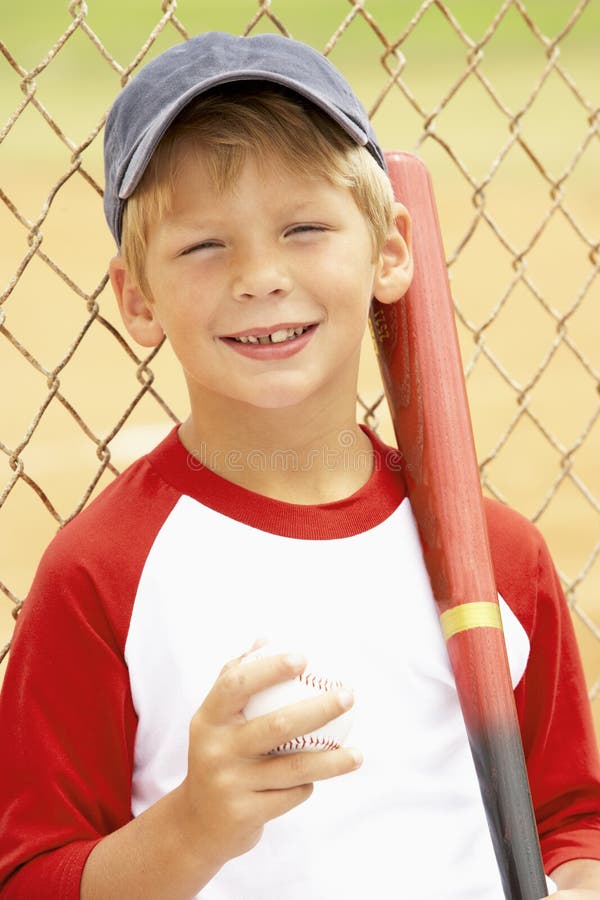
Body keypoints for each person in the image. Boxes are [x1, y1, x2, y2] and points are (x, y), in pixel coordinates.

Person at [0, 30, 599, 900]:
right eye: (204, 245)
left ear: (392, 250)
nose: (260, 275)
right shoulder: (104, 575)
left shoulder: (497, 558)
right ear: (137, 297)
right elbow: (29, 876)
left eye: (305, 227)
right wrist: (192, 829)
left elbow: (568, 817)